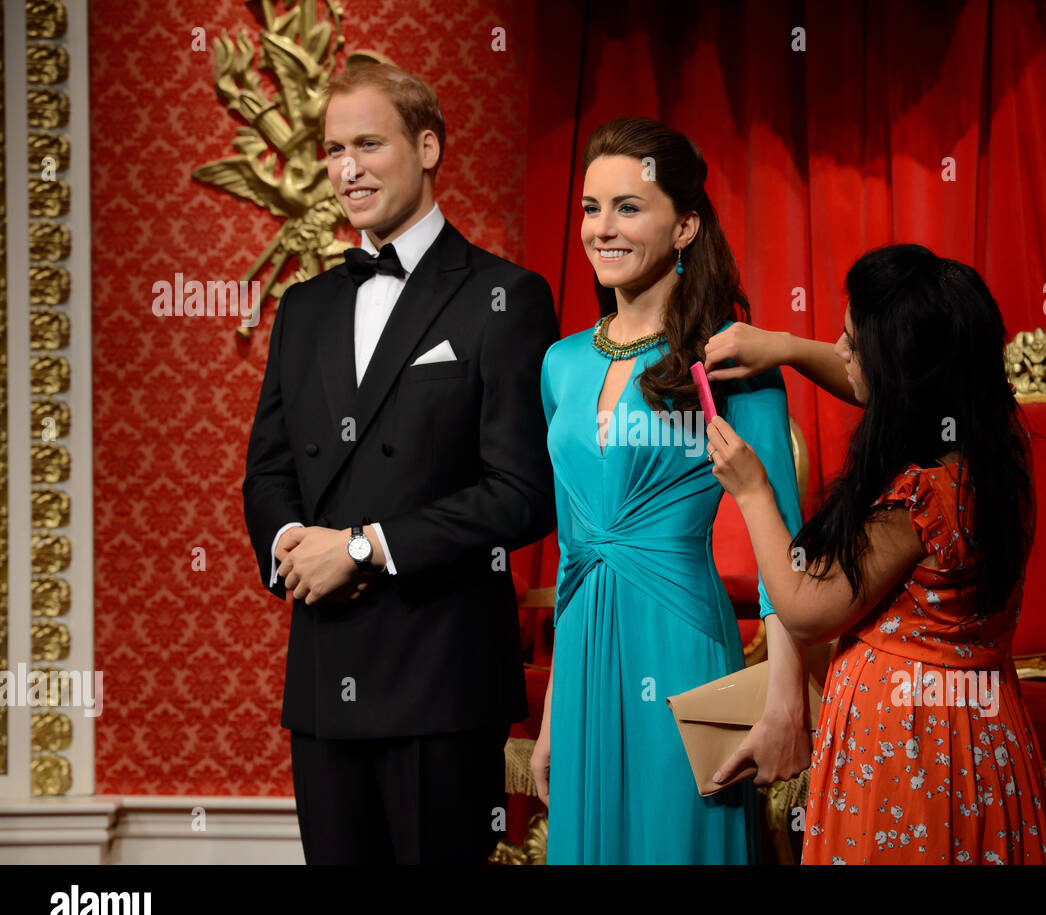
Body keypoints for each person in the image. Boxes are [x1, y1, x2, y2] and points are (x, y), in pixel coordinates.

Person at [241, 62, 558, 864]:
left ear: (427, 146)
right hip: (323, 681)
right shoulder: (304, 307)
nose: (347, 168)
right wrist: (288, 546)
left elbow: (523, 493)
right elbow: (267, 471)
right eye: (333, 148)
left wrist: (361, 547)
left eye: (369, 144)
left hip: (440, 680)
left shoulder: (505, 295)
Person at [705, 244, 1046, 864]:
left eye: (850, 342)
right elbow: (887, 385)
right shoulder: (990, 446)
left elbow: (806, 609)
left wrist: (754, 491)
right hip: (980, 735)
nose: (837, 351)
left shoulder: (920, 500)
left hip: (908, 750)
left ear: (897, 373)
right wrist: (784, 346)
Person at [530, 118, 807, 864]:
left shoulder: (727, 356)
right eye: (591, 208)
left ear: (685, 225)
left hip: (682, 642)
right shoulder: (560, 364)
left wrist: (786, 693)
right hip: (586, 647)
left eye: (628, 207)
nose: (602, 228)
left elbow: (782, 539)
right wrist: (556, 707)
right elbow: (571, 553)